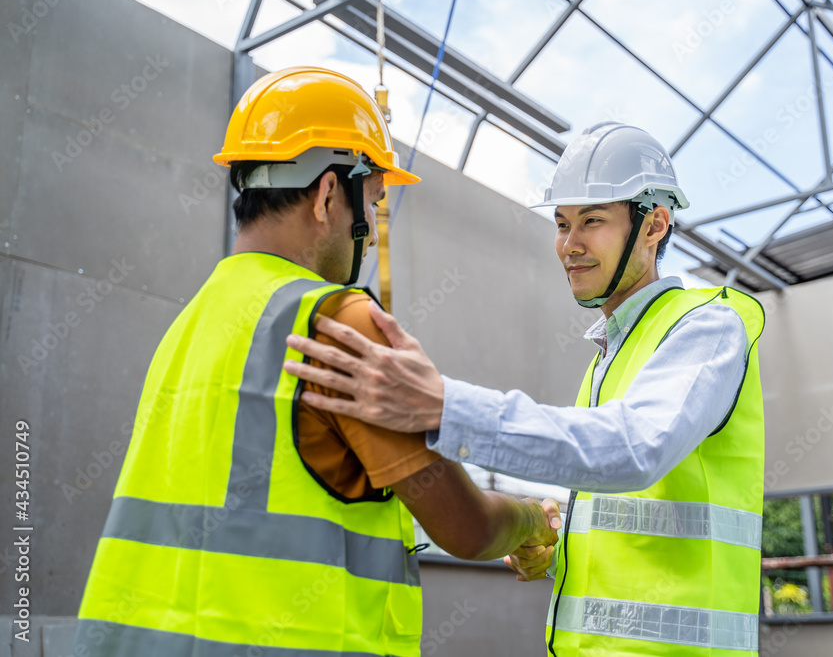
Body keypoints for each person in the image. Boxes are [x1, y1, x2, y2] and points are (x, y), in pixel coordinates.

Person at [73, 67, 559, 657]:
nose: (374, 236)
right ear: (330, 194)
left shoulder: (189, 325)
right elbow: (468, 527)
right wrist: (534, 521)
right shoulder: (337, 323)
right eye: (374, 205)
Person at [283, 121, 767, 655]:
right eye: (561, 223)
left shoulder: (708, 325)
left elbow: (633, 450)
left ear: (655, 225)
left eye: (593, 221)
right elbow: (634, 517)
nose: (569, 245)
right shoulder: (611, 356)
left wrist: (443, 406)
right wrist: (557, 544)